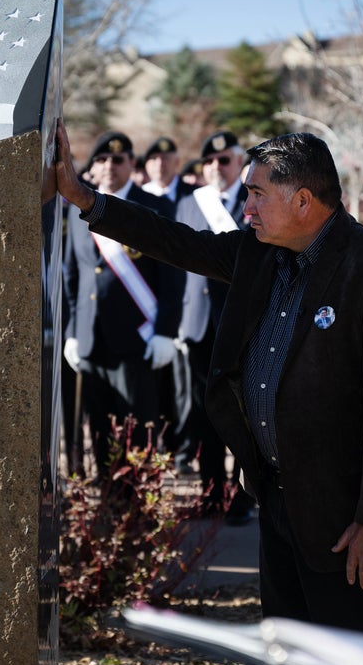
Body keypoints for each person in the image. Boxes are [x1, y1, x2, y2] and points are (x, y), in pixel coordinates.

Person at [53, 122, 363, 665]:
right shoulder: (259, 253)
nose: (245, 207)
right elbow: (177, 241)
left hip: (347, 524)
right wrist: (84, 198)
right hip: (278, 502)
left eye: (257, 194)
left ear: (303, 201)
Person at [63, 131, 184, 476]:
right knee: (100, 434)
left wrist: (166, 331)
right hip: (92, 339)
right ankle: (108, 504)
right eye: (102, 159)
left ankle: (137, 508)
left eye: (118, 159)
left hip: (137, 341)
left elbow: (173, 276)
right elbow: (73, 276)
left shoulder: (155, 207)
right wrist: (73, 332)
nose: (110, 166)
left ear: (132, 163)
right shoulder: (79, 208)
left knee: (138, 435)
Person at [174, 131, 249, 520]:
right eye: (209, 161)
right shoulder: (190, 203)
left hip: (239, 325)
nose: (216, 167)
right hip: (199, 324)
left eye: (223, 160)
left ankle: (241, 496)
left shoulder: (255, 200)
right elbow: (175, 266)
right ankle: (210, 492)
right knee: (205, 414)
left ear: (238, 162)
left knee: (241, 414)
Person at [140, 136, 192, 204]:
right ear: (146, 164)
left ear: (177, 162)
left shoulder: (193, 194)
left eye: (165, 158)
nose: (159, 164)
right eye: (154, 158)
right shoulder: (139, 196)